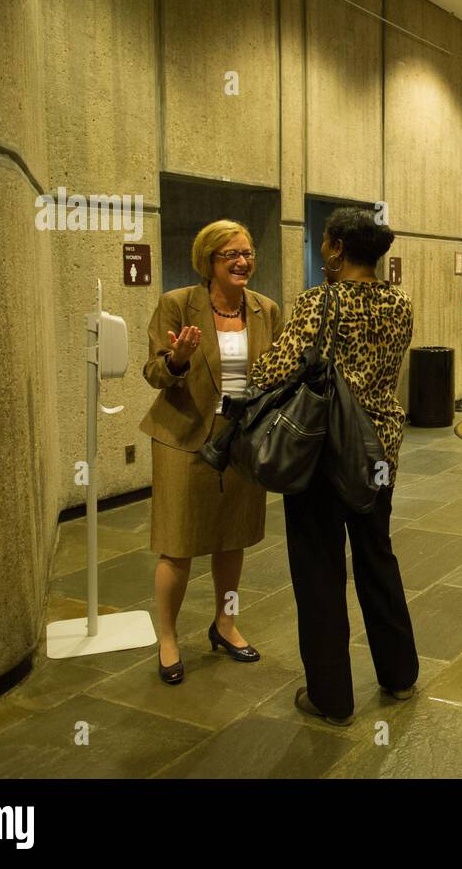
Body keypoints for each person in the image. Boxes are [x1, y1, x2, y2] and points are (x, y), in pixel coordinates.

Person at [250, 207, 418, 726]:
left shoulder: (318, 302)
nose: (322, 250)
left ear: (339, 249)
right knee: (377, 559)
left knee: (320, 571)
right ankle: (399, 675)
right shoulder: (399, 303)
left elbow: (273, 371)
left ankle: (331, 696)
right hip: (379, 452)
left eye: (325, 243)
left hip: (322, 457)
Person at [141, 220, 283, 685]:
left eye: (248, 252)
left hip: (242, 438)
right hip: (185, 437)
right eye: (231, 255)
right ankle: (167, 637)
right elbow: (155, 374)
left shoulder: (265, 310)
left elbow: (275, 371)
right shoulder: (178, 305)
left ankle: (224, 624)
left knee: (232, 537)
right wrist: (177, 359)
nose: (243, 262)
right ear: (209, 261)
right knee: (177, 544)